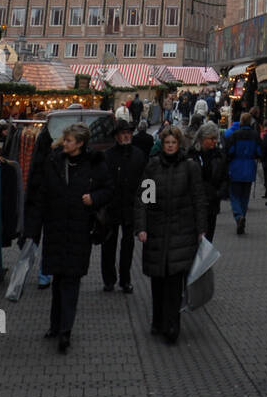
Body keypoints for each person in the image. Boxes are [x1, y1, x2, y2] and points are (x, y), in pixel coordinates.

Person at [23, 123, 112, 352]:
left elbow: (109, 190)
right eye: (65, 139)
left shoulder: (94, 164)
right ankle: (55, 324)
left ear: (80, 143)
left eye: (69, 140)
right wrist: (32, 232)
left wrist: (94, 198)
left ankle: (65, 331)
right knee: (58, 280)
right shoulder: (53, 162)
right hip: (55, 228)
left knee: (71, 281)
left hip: (79, 230)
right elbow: (40, 197)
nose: (65, 143)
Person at [134, 125, 207, 344]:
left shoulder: (190, 167)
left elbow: (198, 199)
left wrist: (201, 229)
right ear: (162, 144)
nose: (170, 146)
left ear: (179, 144)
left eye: (174, 143)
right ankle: (157, 320)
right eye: (167, 143)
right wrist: (141, 227)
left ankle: (172, 324)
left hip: (181, 231)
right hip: (156, 231)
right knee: (158, 280)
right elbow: (143, 199)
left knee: (175, 281)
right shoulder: (153, 167)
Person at [102, 119, 146, 293]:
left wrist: (148, 204)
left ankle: (125, 279)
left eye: (129, 132)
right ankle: (109, 279)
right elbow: (102, 181)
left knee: (128, 246)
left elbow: (146, 180)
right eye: (123, 133)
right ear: (116, 136)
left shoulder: (138, 154)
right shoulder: (108, 155)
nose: (127, 135)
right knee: (108, 245)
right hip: (112, 206)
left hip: (130, 206)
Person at [224, 112, 261, 234]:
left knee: (234, 195)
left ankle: (238, 216)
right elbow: (259, 152)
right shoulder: (255, 135)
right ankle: (242, 216)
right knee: (245, 195)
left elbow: (229, 151)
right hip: (249, 167)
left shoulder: (235, 135)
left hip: (236, 167)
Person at [191, 122, 228, 241]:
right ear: (203, 138)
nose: (214, 141)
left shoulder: (218, 156)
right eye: (211, 138)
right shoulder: (192, 155)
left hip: (211, 203)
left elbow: (225, 177)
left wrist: (218, 193)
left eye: (215, 139)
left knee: (208, 240)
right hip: (194, 204)